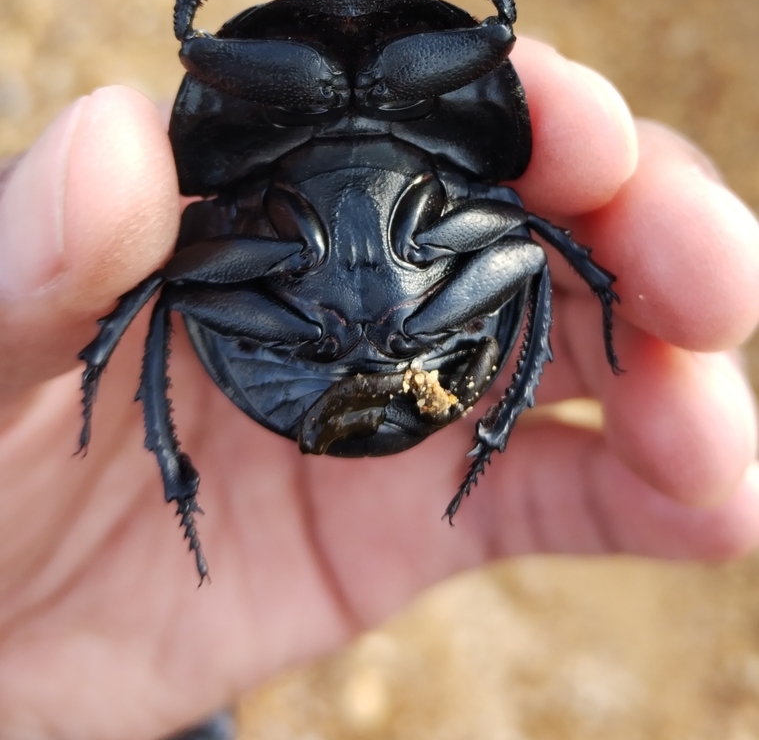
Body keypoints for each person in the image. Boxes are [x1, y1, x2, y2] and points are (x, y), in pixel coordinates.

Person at [0, 38, 758, 740]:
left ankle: (194, 484)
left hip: (330, 354)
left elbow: (527, 250)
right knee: (533, 243)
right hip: (327, 351)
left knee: (533, 246)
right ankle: (181, 479)